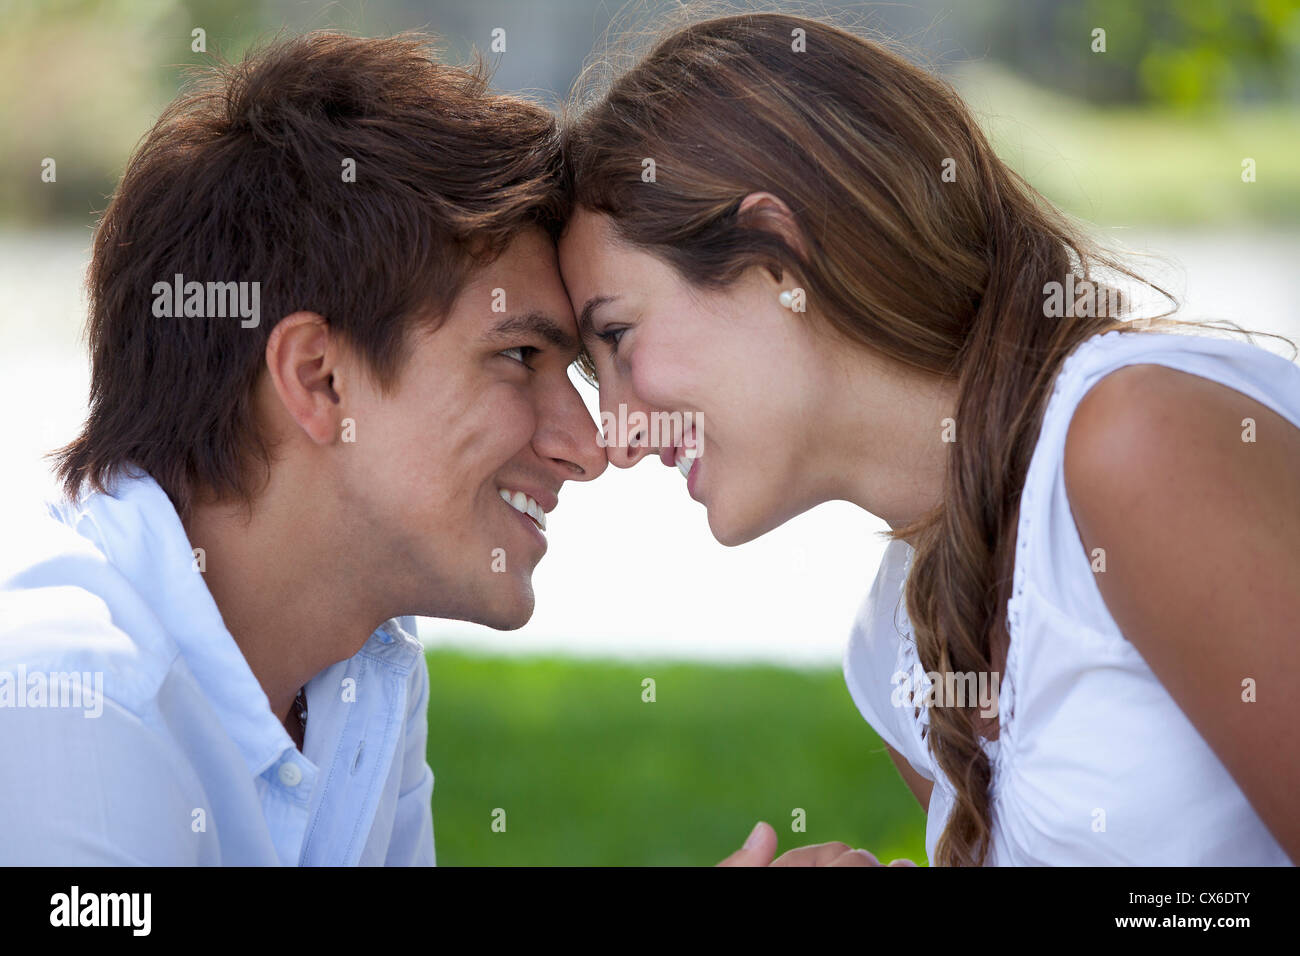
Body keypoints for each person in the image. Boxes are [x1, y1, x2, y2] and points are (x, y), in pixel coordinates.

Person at [558, 12, 1300, 865]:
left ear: (775, 255)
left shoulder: (1133, 445)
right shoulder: (893, 647)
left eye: (615, 339)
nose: (614, 437)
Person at [0, 31, 607, 864]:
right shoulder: (72, 694)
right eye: (519, 358)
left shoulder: (365, 667)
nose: (589, 446)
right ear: (319, 379)